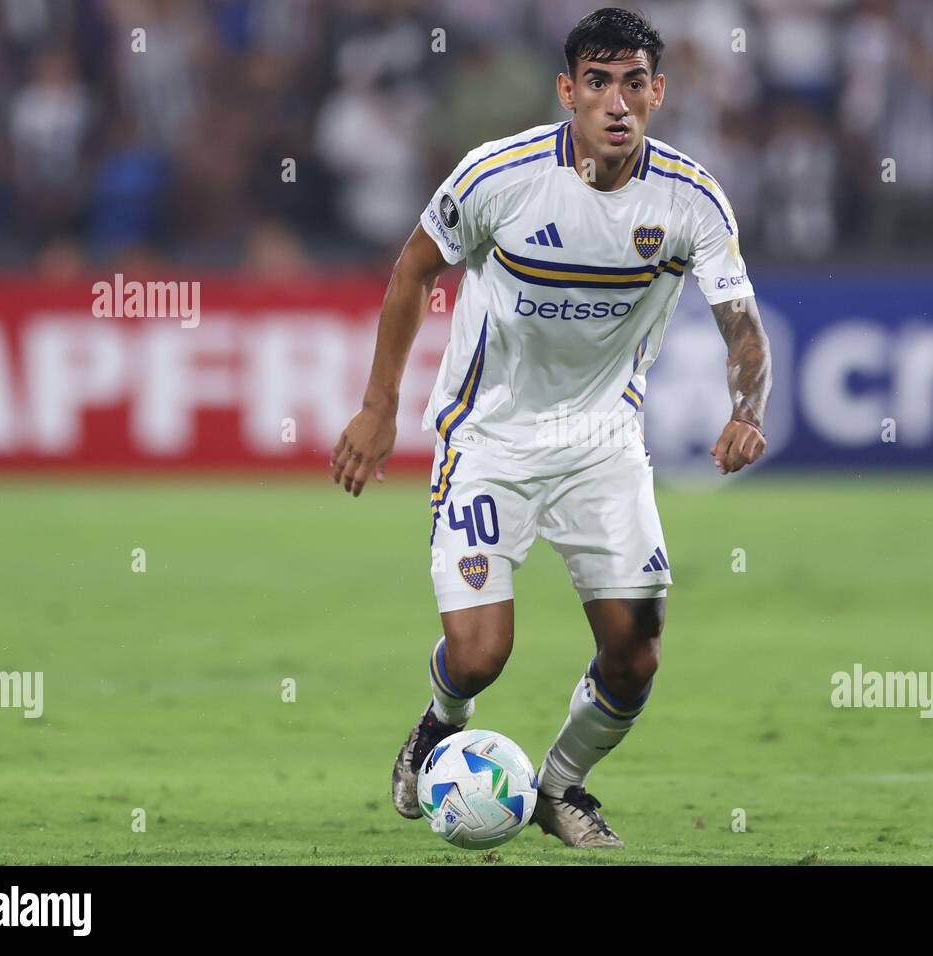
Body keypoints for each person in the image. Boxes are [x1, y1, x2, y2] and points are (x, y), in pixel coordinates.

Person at [330, 7, 771, 848]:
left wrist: (748, 411)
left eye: (633, 83)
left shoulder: (693, 201)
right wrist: (381, 404)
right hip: (488, 441)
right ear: (567, 91)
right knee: (480, 654)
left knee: (636, 653)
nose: (616, 101)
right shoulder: (500, 175)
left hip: (604, 446)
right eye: (597, 83)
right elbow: (415, 268)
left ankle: (560, 786)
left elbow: (742, 327)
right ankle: (438, 720)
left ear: (658, 93)